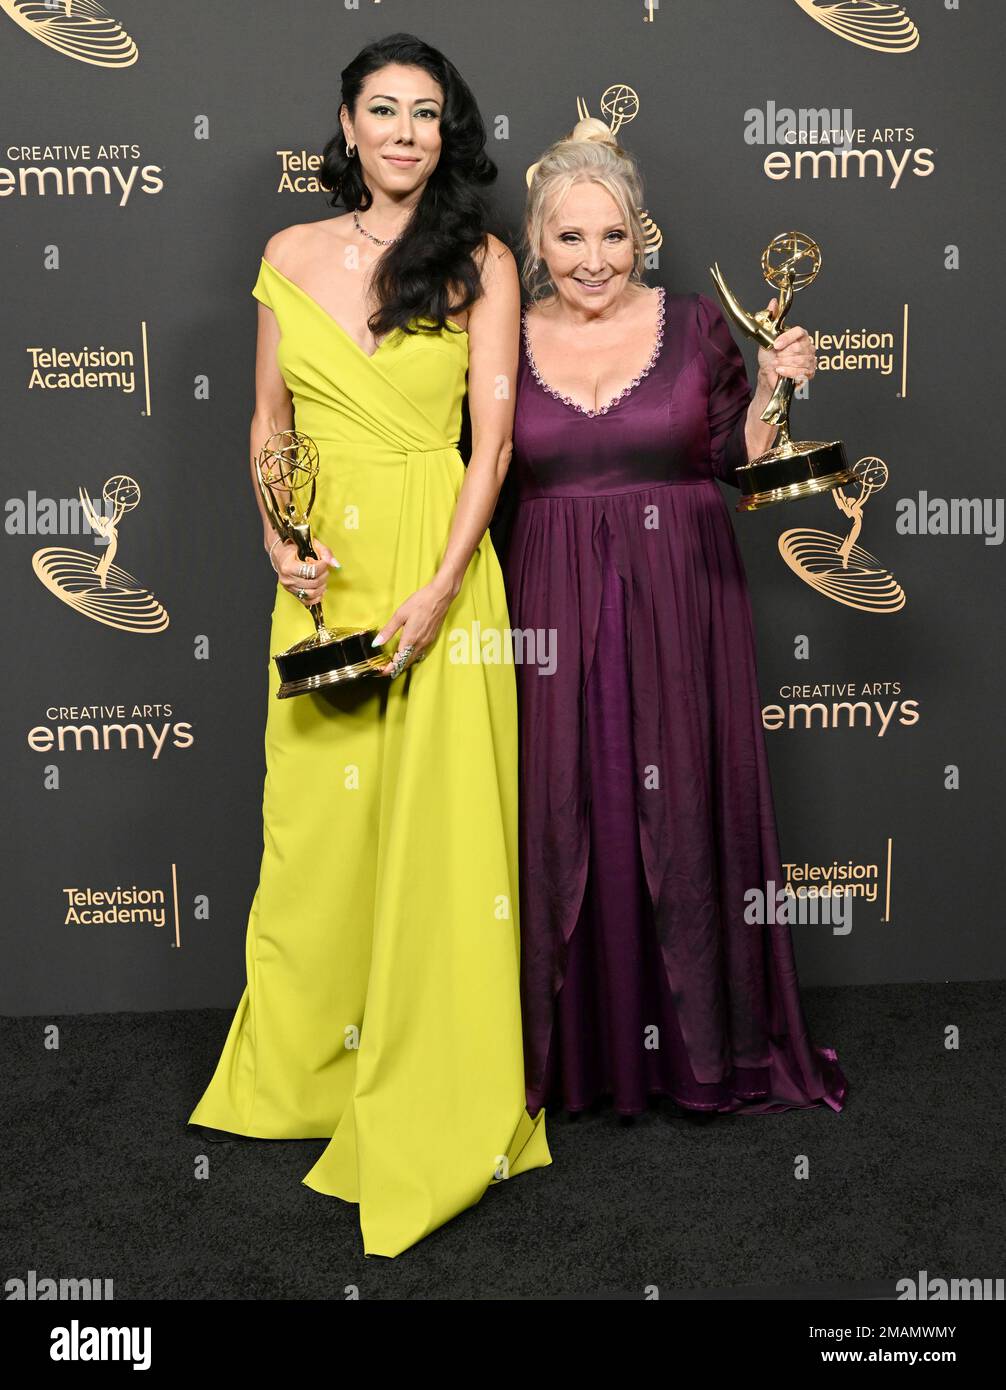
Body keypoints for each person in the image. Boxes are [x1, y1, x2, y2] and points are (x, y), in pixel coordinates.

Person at [188, 32, 550, 1258]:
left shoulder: (481, 260)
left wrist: (443, 588)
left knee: (439, 839)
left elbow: (493, 444)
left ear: (448, 134)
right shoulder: (288, 254)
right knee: (317, 833)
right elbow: (267, 422)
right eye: (383, 110)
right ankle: (303, 1070)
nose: (404, 132)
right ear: (345, 125)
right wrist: (275, 538)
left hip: (440, 564)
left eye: (426, 113)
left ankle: (429, 1081)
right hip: (324, 575)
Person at [502, 120, 848, 1119]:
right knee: (561, 811)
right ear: (536, 242)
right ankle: (578, 1059)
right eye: (569, 237)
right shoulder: (500, 333)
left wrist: (774, 388)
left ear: (640, 235)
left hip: (683, 594)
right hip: (548, 597)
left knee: (686, 808)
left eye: (613, 236)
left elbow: (741, 463)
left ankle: (699, 1056)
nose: (593, 259)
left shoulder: (694, 323)